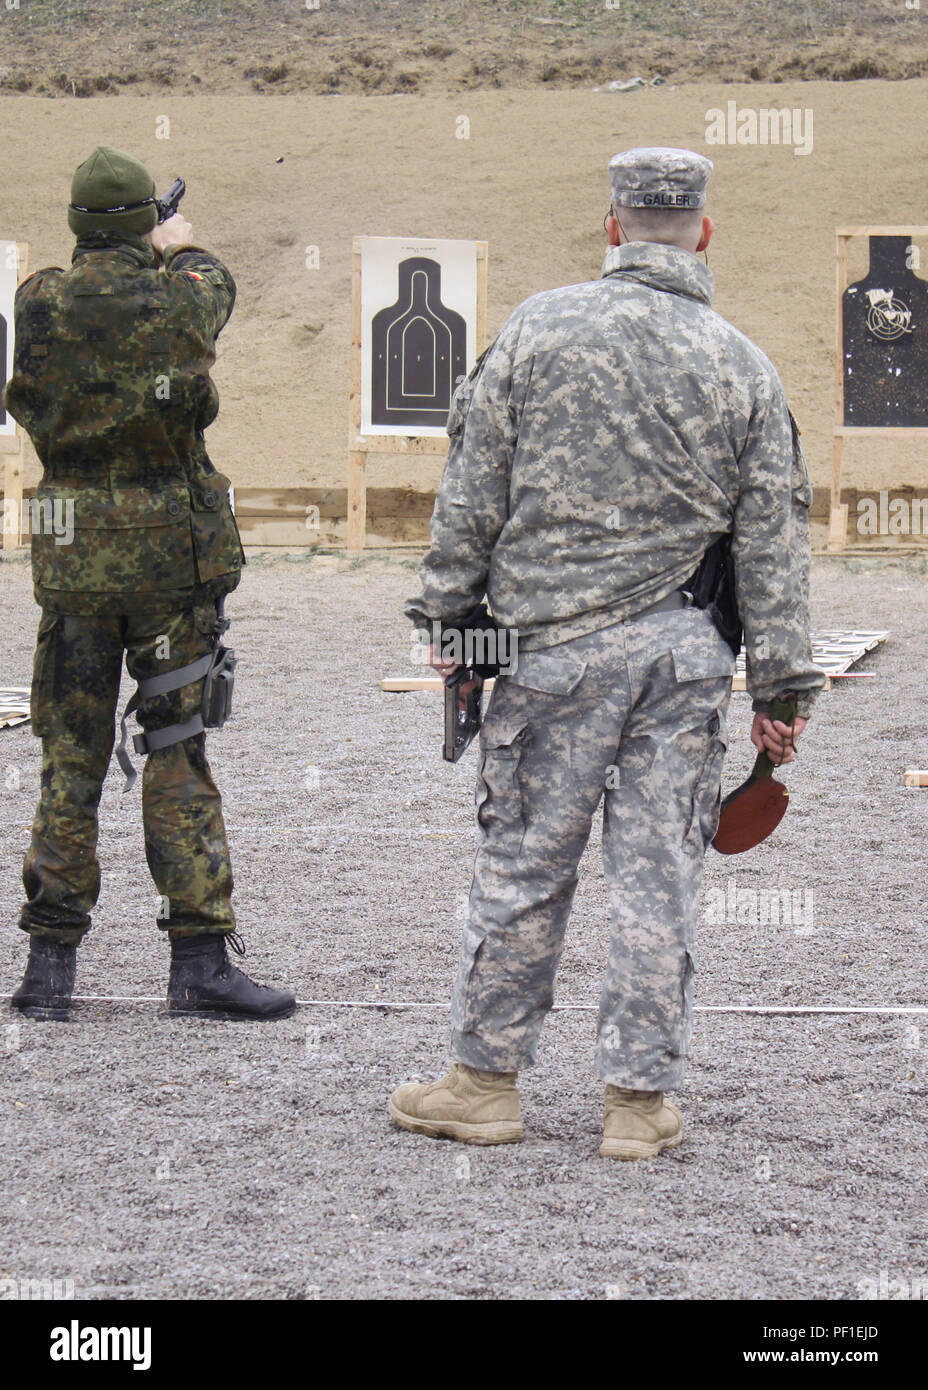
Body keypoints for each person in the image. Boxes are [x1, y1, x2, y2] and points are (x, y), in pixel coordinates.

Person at [392, 147, 825, 1157]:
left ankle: (484, 1084)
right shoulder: (742, 363)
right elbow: (773, 544)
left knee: (523, 867)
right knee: (655, 877)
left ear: (612, 226)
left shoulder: (534, 330)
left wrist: (453, 632)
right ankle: (636, 1105)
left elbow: (469, 501)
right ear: (703, 233)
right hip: (681, 659)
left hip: (547, 654)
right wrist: (782, 687)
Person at [4, 145, 294, 1022]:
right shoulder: (180, 292)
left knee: (69, 760)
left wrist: (137, 240)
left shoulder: (38, 300)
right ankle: (198, 962)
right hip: (170, 566)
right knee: (176, 751)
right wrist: (173, 241)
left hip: (74, 564)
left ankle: (49, 971)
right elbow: (214, 283)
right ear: (144, 227)